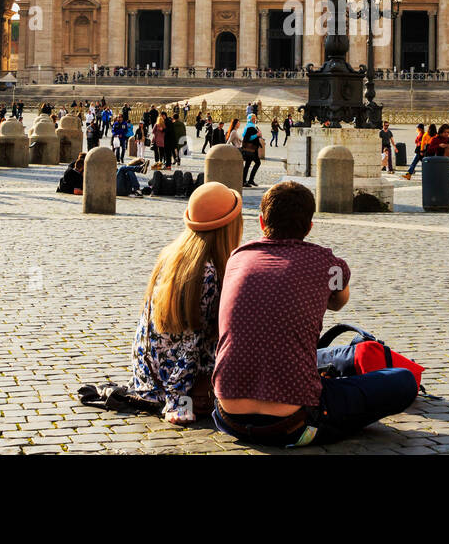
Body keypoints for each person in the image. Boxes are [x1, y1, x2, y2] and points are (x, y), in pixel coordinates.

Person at [212, 181, 417, 447]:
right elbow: (338, 302)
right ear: (309, 226)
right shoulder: (326, 263)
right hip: (295, 422)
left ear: (262, 222)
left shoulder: (237, 257)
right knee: (403, 381)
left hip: (229, 417)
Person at [113, 182, 246, 425]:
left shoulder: (172, 255)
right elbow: (191, 343)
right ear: (228, 227)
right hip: (171, 383)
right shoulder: (206, 273)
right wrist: (178, 401)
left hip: (148, 375)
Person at [241, 119, 263, 188]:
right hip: (251, 150)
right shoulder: (250, 127)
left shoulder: (252, 127)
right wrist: (257, 134)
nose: (255, 120)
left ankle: (245, 181)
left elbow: (256, 137)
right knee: (257, 163)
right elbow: (248, 138)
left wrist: (259, 135)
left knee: (248, 165)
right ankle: (248, 180)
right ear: (250, 120)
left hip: (252, 150)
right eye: (253, 119)